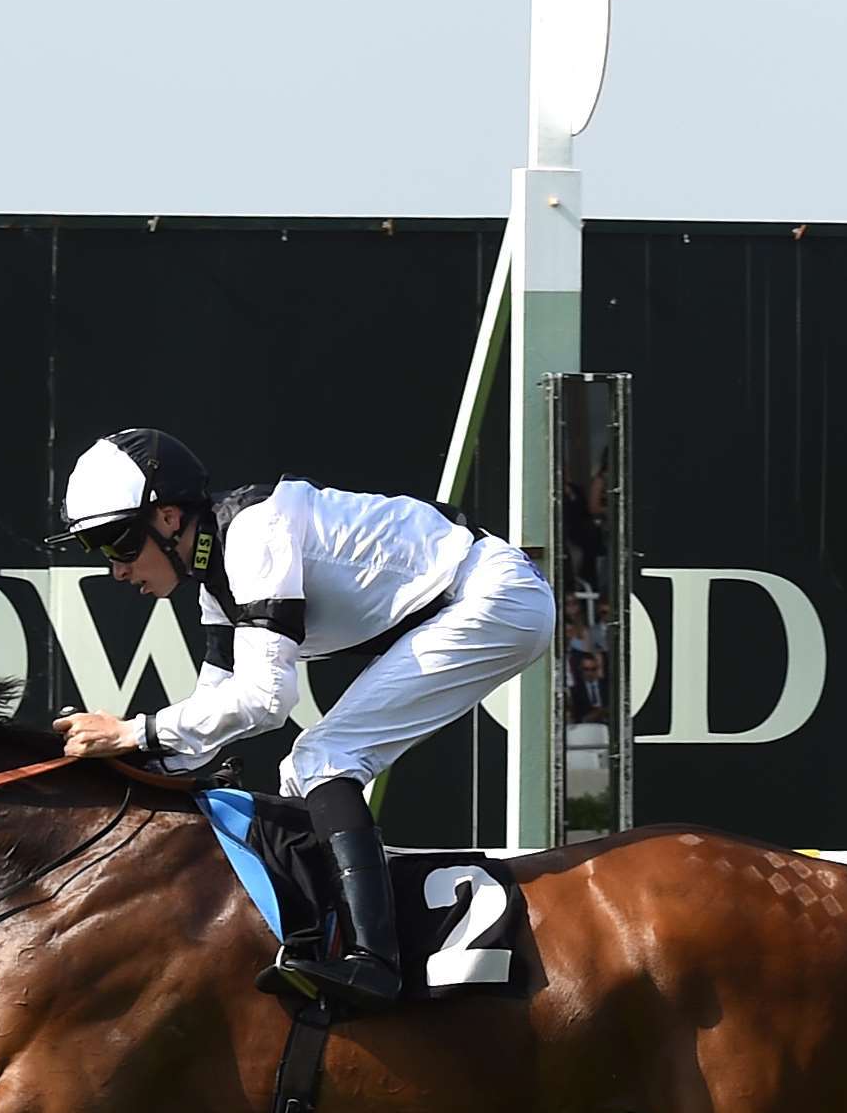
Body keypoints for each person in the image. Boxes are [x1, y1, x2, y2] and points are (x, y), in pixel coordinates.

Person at [48, 428, 556, 1007]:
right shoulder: (218, 582)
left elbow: (266, 700)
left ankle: (376, 962)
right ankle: (334, 943)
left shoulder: (255, 536)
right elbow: (214, 720)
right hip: (480, 597)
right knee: (302, 781)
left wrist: (134, 730)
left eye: (117, 542)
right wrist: (130, 757)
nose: (116, 570)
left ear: (167, 517)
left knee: (322, 759)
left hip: (494, 597)